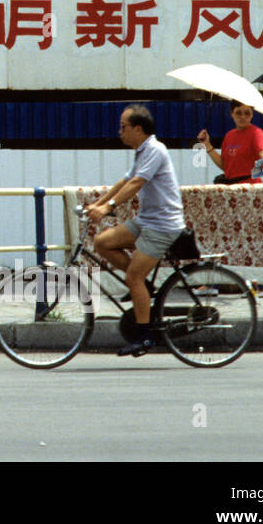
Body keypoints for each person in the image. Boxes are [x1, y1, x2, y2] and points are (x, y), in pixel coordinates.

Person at [86, 105, 187, 357]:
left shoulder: (154, 149)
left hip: (162, 225)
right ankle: (141, 288)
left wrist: (108, 206)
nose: (119, 131)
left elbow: (136, 183)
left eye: (123, 127)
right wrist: (98, 205)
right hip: (147, 220)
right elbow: (124, 181)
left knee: (133, 277)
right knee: (102, 242)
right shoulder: (142, 151)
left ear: (138, 129)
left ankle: (144, 336)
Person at [197, 100, 263, 184]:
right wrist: (207, 145)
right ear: (231, 114)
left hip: (250, 187)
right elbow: (225, 166)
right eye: (238, 113)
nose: (243, 117)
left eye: (247, 113)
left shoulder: (256, 133)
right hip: (231, 187)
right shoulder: (229, 135)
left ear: (252, 115)